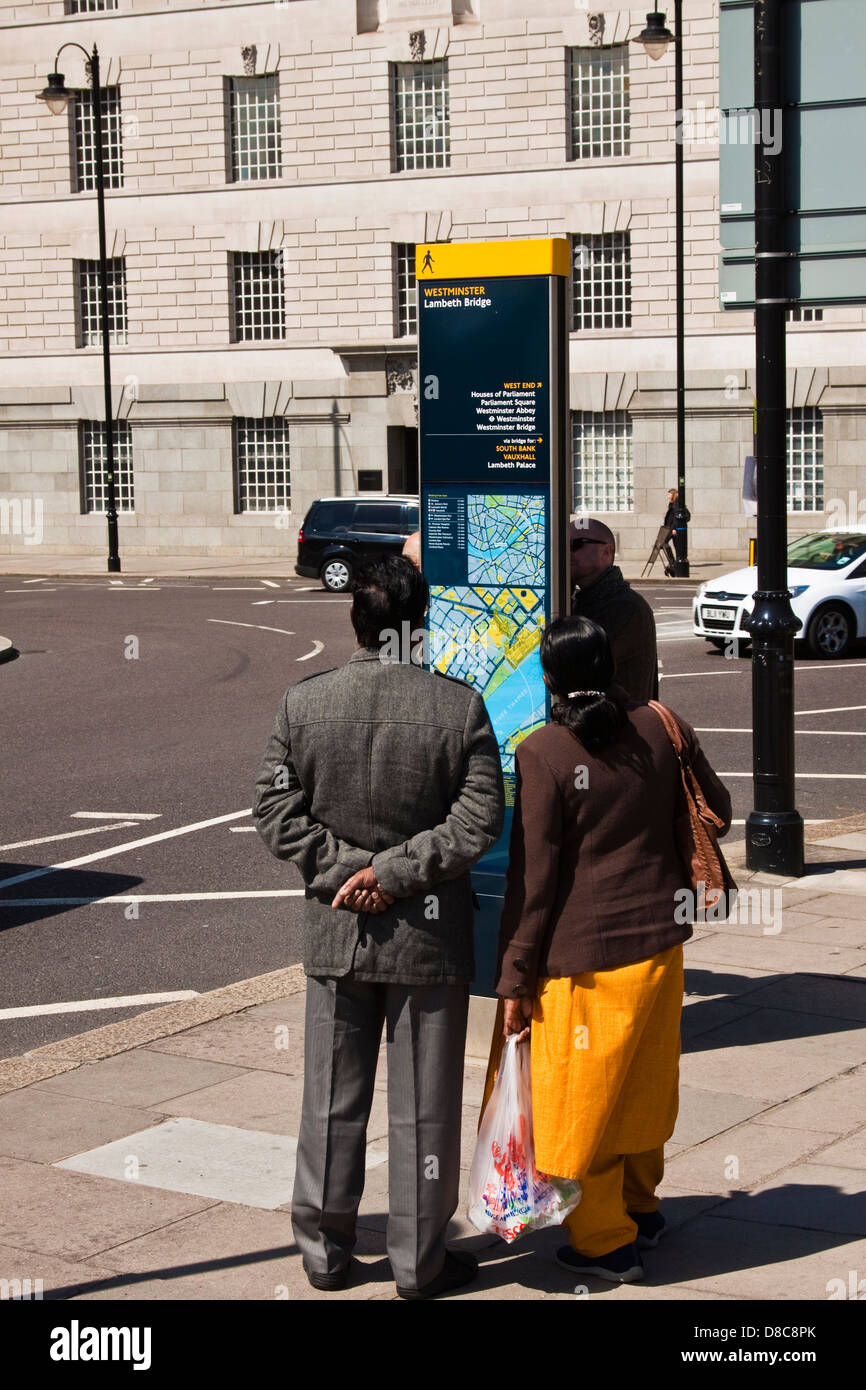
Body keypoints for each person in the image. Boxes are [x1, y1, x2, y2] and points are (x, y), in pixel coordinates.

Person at [253, 554, 505, 1300]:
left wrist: (345, 872)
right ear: (421, 622)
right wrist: (391, 873)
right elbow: (478, 819)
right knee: (424, 1108)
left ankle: (326, 1256)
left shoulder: (303, 705)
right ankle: (418, 1264)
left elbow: (275, 810)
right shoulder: (458, 708)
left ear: (355, 621)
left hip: (336, 928)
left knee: (330, 1101)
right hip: (428, 934)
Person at [493, 615, 731, 1283]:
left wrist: (514, 979)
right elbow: (718, 807)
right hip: (661, 944)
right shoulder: (660, 725)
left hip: (583, 959)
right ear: (611, 667)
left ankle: (605, 1241)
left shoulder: (544, 752)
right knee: (643, 1086)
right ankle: (642, 1208)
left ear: (547, 678)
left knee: (584, 1100)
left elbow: (534, 885)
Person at [569, 517, 659, 701]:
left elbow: (578, 669)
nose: (566, 552)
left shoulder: (625, 606)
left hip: (619, 725)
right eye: (563, 544)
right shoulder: (585, 599)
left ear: (607, 551)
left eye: (576, 544)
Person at [663, 488, 691, 571]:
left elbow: (676, 519)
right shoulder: (672, 504)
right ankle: (678, 560)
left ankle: (674, 561)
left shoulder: (676, 504)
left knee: (665, 542)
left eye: (669, 494)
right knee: (677, 546)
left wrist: (674, 529)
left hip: (673, 528)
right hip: (670, 528)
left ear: (673, 494)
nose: (668, 496)